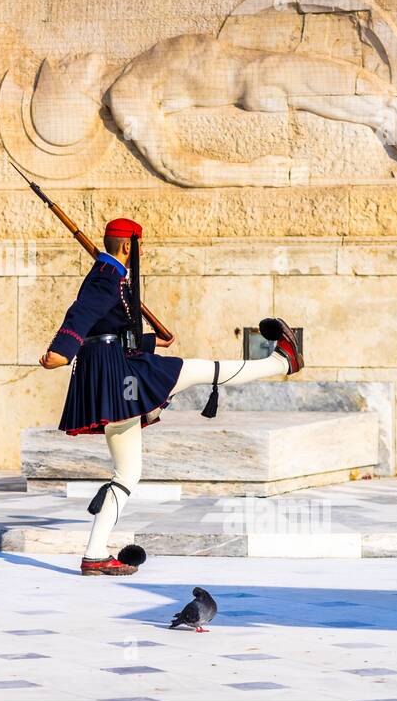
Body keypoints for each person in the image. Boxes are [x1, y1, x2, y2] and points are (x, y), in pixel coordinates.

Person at [40, 218, 303, 576]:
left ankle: (95, 554)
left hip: (116, 370)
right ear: (128, 246)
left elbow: (108, 329)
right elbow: (83, 313)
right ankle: (281, 361)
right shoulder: (106, 274)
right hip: (119, 376)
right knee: (199, 369)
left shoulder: (112, 273)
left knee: (127, 473)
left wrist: (150, 341)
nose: (142, 252)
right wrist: (61, 349)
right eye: (140, 246)